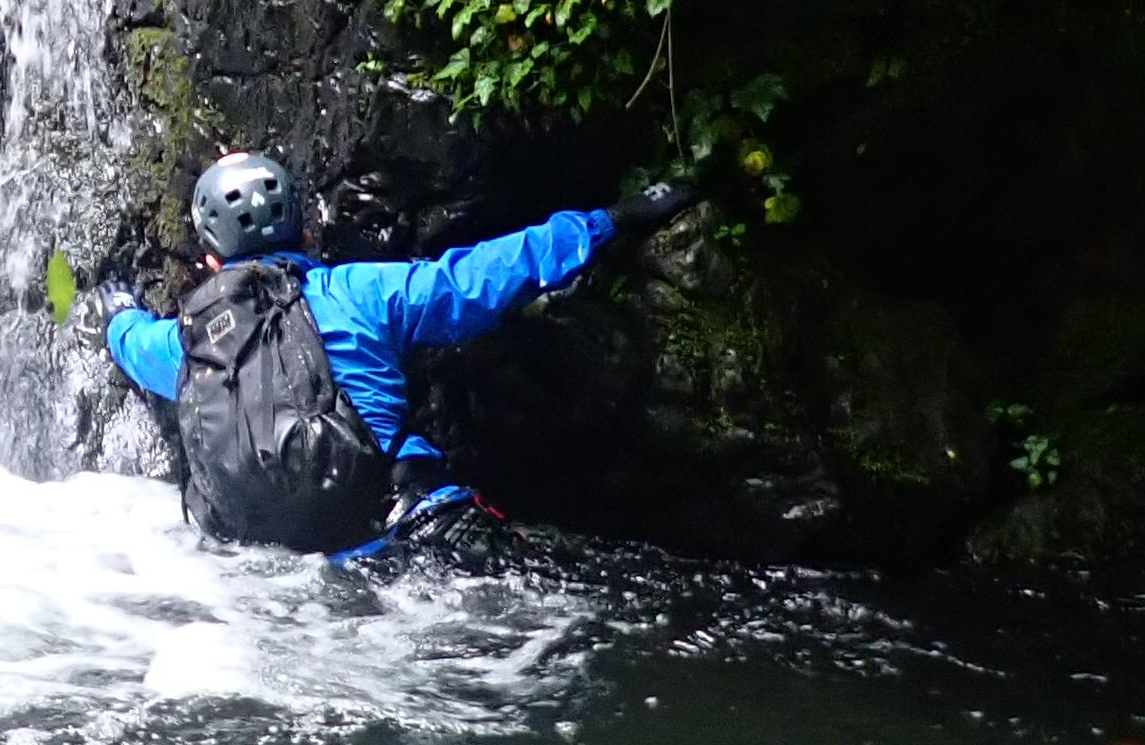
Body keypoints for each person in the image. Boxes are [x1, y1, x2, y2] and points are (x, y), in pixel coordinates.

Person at [100, 149, 700, 559]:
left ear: (209, 260)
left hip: (269, 583)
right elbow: (482, 278)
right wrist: (608, 222)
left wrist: (115, 309)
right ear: (307, 232)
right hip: (405, 540)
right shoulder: (363, 293)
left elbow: (130, 345)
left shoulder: (188, 342)